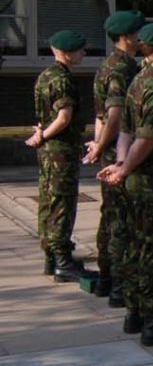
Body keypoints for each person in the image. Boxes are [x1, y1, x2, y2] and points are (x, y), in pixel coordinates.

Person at [99, 21, 153, 346]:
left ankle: (136, 311)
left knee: (138, 247)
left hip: (137, 178)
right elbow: (147, 137)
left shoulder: (138, 79)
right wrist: (126, 167)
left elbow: (126, 129)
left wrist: (122, 164)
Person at [85, 11, 146, 304]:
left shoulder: (109, 65)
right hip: (120, 152)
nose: (141, 37)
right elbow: (115, 114)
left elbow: (101, 116)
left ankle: (107, 278)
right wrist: (101, 146)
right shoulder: (122, 68)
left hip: (111, 149)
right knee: (122, 219)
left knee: (111, 214)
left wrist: (98, 143)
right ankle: (120, 284)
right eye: (137, 32)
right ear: (126, 37)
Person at [29, 30, 89, 283]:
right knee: (62, 203)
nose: (84, 53)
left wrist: (41, 134)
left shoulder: (45, 76)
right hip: (60, 151)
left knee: (48, 202)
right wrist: (43, 136)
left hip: (48, 152)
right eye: (79, 50)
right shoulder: (62, 80)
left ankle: (51, 258)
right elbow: (63, 118)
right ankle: (63, 262)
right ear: (65, 53)